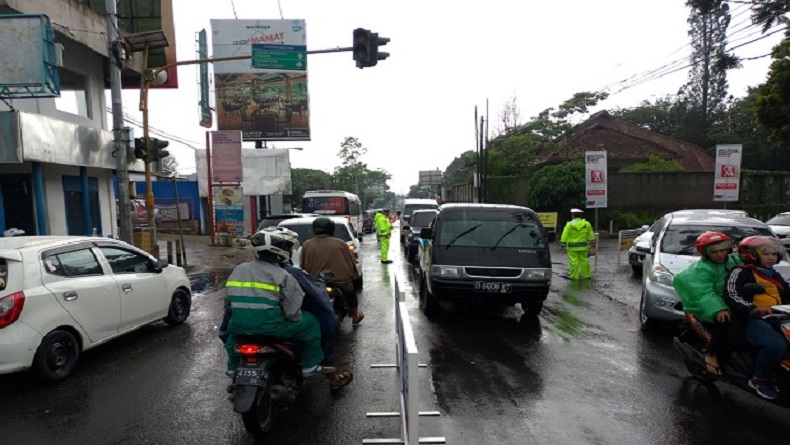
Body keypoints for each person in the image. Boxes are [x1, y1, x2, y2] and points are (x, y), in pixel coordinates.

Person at [223, 227, 330, 379]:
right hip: (273, 327)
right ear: (279, 250)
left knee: (232, 338)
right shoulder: (283, 274)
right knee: (311, 322)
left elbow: (228, 303)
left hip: (239, 325)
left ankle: (233, 367)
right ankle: (310, 365)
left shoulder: (239, 269)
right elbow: (292, 312)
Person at [723, 235, 789, 400]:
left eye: (774, 254)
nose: (771, 257)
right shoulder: (741, 272)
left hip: (778, 316)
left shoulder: (774, 274)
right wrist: (753, 309)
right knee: (775, 345)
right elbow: (732, 295)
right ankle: (759, 379)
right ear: (752, 255)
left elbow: (786, 295)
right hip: (751, 319)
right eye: (766, 254)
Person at [673, 231, 740, 377]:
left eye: (722, 250)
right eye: (715, 252)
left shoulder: (735, 261)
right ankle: (712, 354)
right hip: (709, 308)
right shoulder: (701, 269)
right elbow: (704, 292)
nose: (720, 255)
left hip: (734, 303)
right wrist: (719, 308)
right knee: (725, 323)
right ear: (706, 254)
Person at [300, 217, 365, 325]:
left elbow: (302, 266)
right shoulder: (340, 243)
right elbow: (351, 262)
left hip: (315, 282)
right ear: (331, 228)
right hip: (340, 282)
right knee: (350, 293)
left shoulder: (307, 244)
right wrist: (354, 277)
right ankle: (355, 316)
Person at [560, 208, 595, 279]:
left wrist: (563, 243)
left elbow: (565, 234)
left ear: (573, 215)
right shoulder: (586, 224)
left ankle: (574, 276)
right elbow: (590, 234)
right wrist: (592, 241)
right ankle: (586, 275)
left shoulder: (569, 224)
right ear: (580, 216)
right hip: (583, 246)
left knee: (573, 262)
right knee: (584, 260)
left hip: (572, 247)